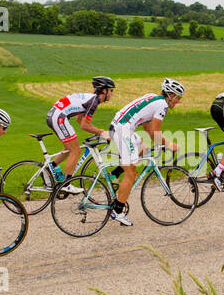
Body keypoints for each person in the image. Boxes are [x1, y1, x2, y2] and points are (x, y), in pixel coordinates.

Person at [108, 79, 183, 227]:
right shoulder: (162, 105)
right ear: (171, 95)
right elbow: (155, 131)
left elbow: (148, 128)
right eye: (178, 98)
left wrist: (159, 142)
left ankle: (114, 175)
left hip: (121, 127)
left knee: (144, 150)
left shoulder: (153, 98)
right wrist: (169, 144)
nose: (178, 102)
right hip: (123, 130)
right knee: (131, 174)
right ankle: (117, 210)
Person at [45, 76, 115, 194]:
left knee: (69, 148)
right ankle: (66, 184)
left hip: (54, 115)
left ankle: (47, 171)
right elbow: (84, 125)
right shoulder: (94, 101)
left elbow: (79, 120)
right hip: (59, 117)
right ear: (104, 90)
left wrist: (97, 130)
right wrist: (102, 132)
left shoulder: (90, 98)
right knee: (76, 150)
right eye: (111, 90)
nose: (112, 93)